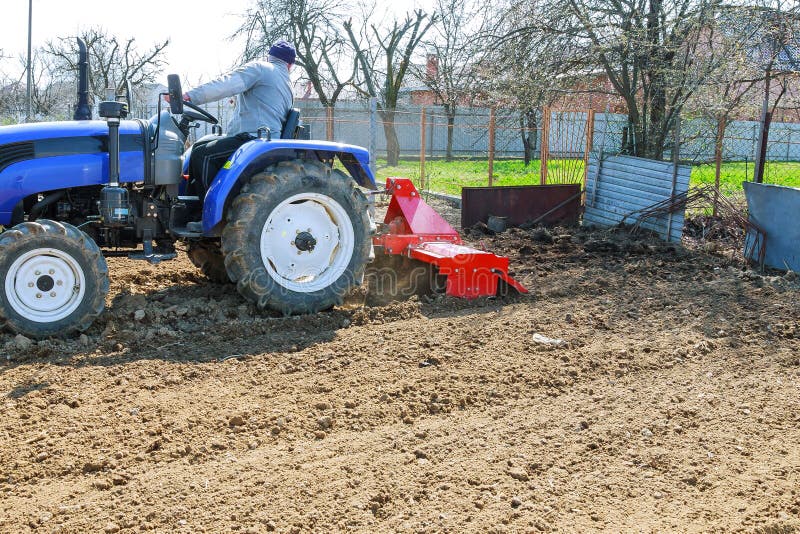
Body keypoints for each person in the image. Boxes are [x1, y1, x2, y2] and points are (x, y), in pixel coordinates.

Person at [180, 39, 296, 196]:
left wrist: (190, 96)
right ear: (289, 65)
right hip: (265, 139)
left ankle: (203, 210)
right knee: (199, 148)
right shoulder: (287, 84)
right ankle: (187, 203)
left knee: (202, 155)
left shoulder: (261, 68)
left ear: (269, 57)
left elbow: (225, 84)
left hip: (252, 139)